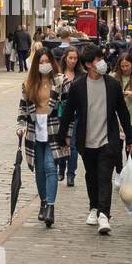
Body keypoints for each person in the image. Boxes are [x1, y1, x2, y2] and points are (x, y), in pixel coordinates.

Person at [56, 44, 132, 236]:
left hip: (108, 140)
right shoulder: (78, 86)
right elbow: (68, 113)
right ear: (88, 64)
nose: (101, 63)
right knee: (91, 177)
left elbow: (122, 112)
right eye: (97, 60)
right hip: (86, 141)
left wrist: (131, 138)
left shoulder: (112, 84)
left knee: (104, 177)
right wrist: (62, 136)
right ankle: (93, 207)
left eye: (102, 59)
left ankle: (104, 215)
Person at [16, 46, 69, 227]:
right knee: (39, 170)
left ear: (52, 63)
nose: (45, 65)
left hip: (54, 131)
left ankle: (51, 208)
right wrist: (21, 126)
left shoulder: (61, 81)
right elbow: (23, 108)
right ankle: (43, 202)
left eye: (47, 61)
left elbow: (68, 110)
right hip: (34, 131)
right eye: (41, 62)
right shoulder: (28, 84)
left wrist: (67, 133)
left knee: (49, 167)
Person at [55, 45, 83, 187]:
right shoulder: (58, 74)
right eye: (70, 58)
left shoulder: (81, 75)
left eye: (75, 58)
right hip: (61, 113)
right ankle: (61, 168)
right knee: (61, 141)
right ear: (65, 59)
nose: (72, 61)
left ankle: (71, 174)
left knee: (72, 145)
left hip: (77, 115)